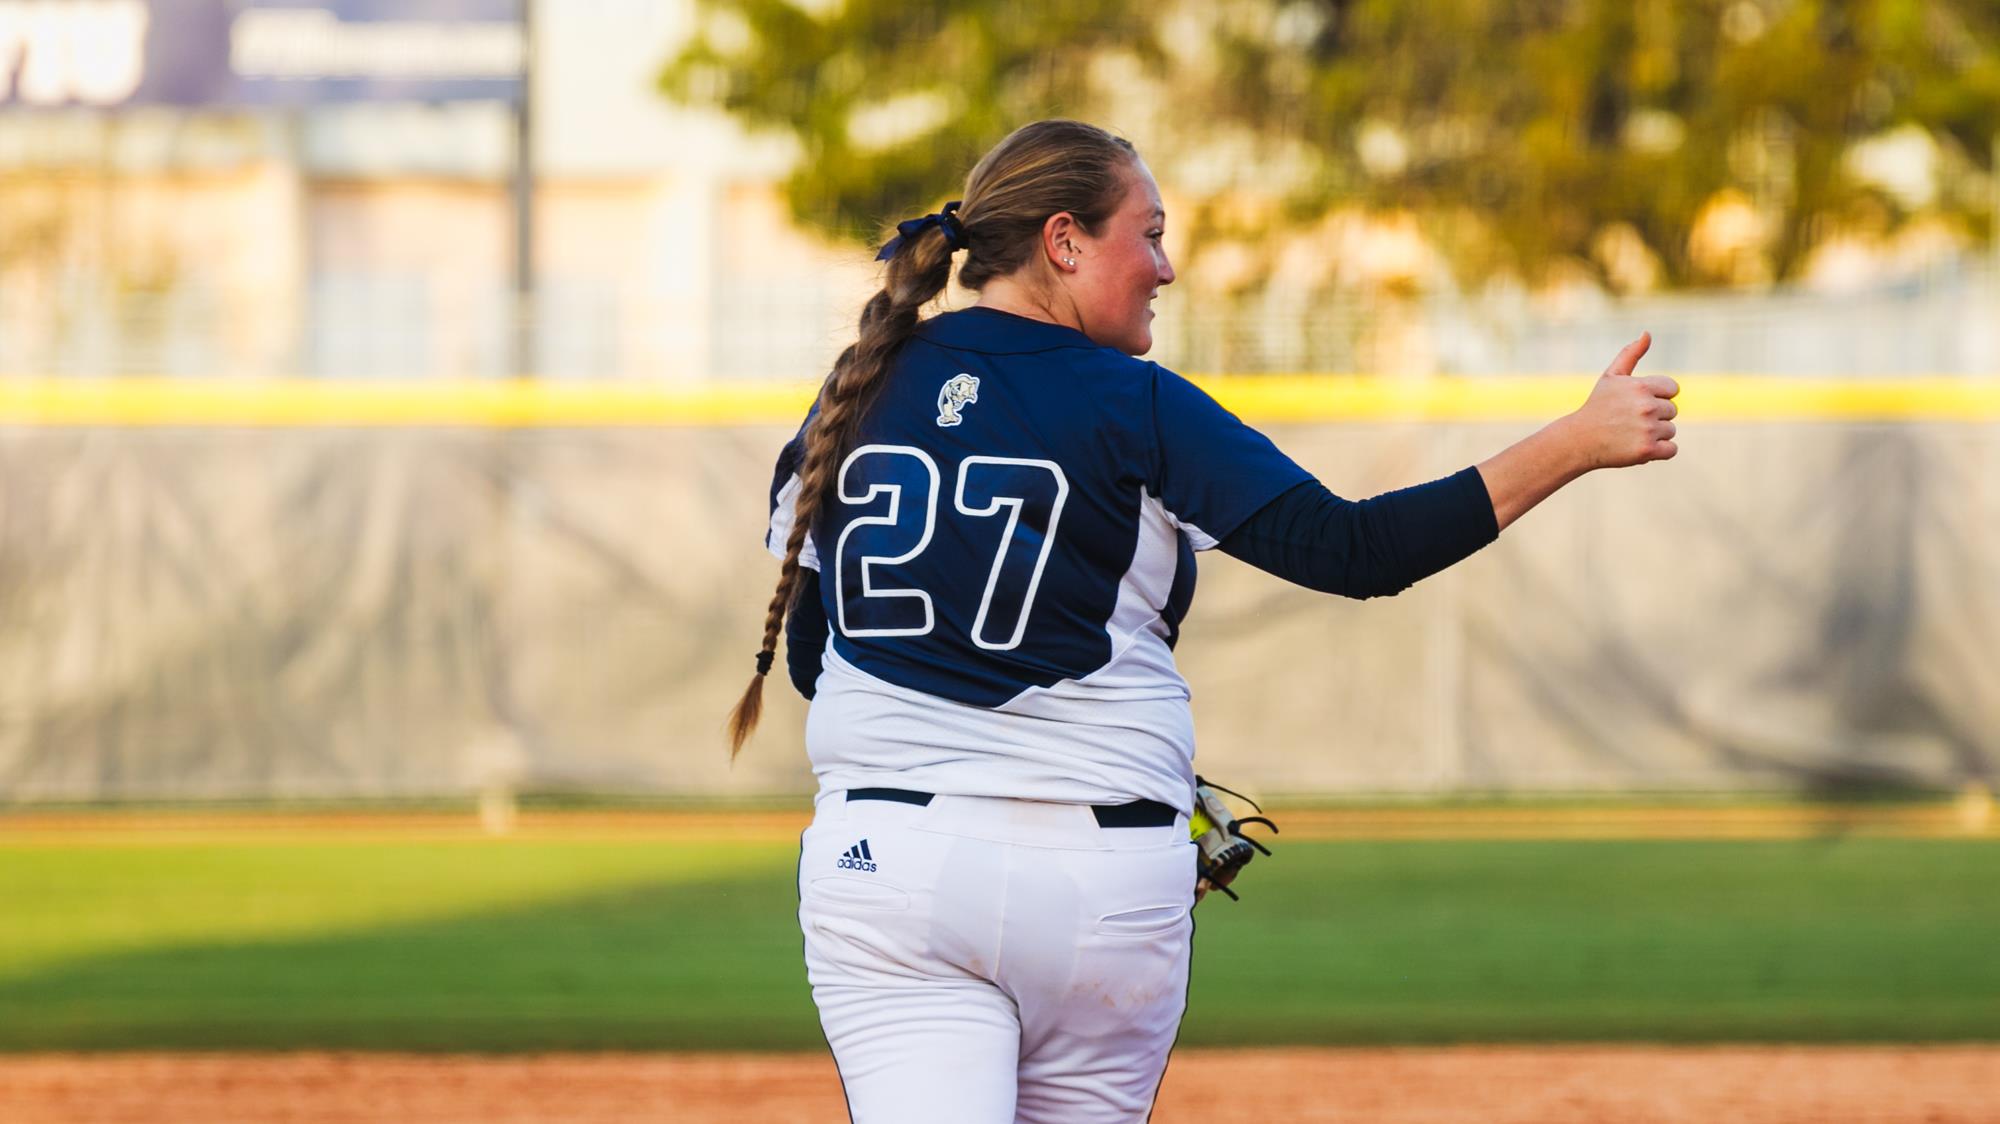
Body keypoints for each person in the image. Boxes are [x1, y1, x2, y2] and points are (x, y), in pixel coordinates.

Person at [729, 119, 1677, 1123]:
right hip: (1100, 878)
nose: (1166, 267)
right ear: (1063, 241)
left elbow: (815, 658)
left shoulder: (860, 385)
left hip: (890, 869)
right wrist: (1576, 440)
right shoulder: (1133, 401)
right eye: (1148, 234)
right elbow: (1355, 550)